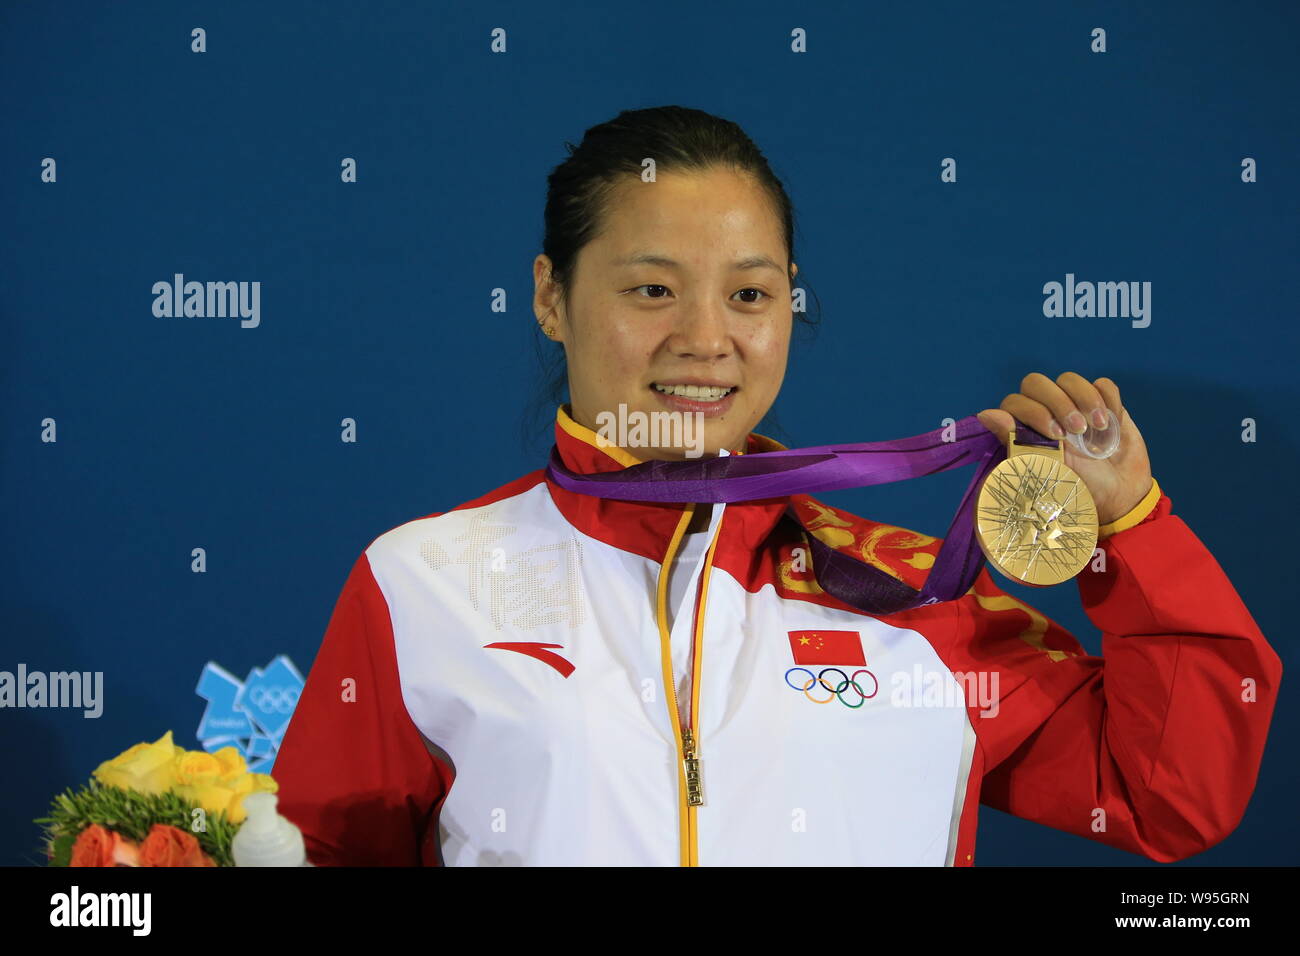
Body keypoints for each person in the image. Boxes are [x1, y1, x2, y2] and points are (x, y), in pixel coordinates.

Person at [272, 105, 1281, 866]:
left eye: (749, 293)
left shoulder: (911, 597)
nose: (707, 340)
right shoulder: (425, 583)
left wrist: (1131, 528)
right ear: (550, 296)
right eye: (651, 288)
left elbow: (1165, 791)